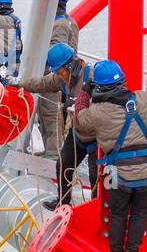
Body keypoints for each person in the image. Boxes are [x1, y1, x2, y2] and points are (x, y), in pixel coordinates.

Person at [72, 59, 147, 252]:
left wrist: (84, 94)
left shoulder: (97, 112)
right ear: (122, 80)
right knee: (139, 213)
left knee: (118, 214)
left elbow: (79, 121)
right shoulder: (144, 98)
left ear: (98, 86)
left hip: (119, 174)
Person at [15, 42, 97, 210]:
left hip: (97, 134)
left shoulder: (92, 77)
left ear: (71, 65)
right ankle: (63, 201)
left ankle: (96, 209)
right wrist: (19, 84)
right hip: (79, 132)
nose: (60, 76)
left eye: (61, 72)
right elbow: (42, 83)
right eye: (58, 73)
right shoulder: (61, 78)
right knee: (64, 163)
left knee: (95, 174)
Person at [34, 0, 80, 153]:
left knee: (50, 115)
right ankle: (51, 150)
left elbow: (56, 52)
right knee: (52, 115)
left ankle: (52, 153)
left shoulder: (59, 25)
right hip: (66, 76)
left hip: (54, 77)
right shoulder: (70, 21)